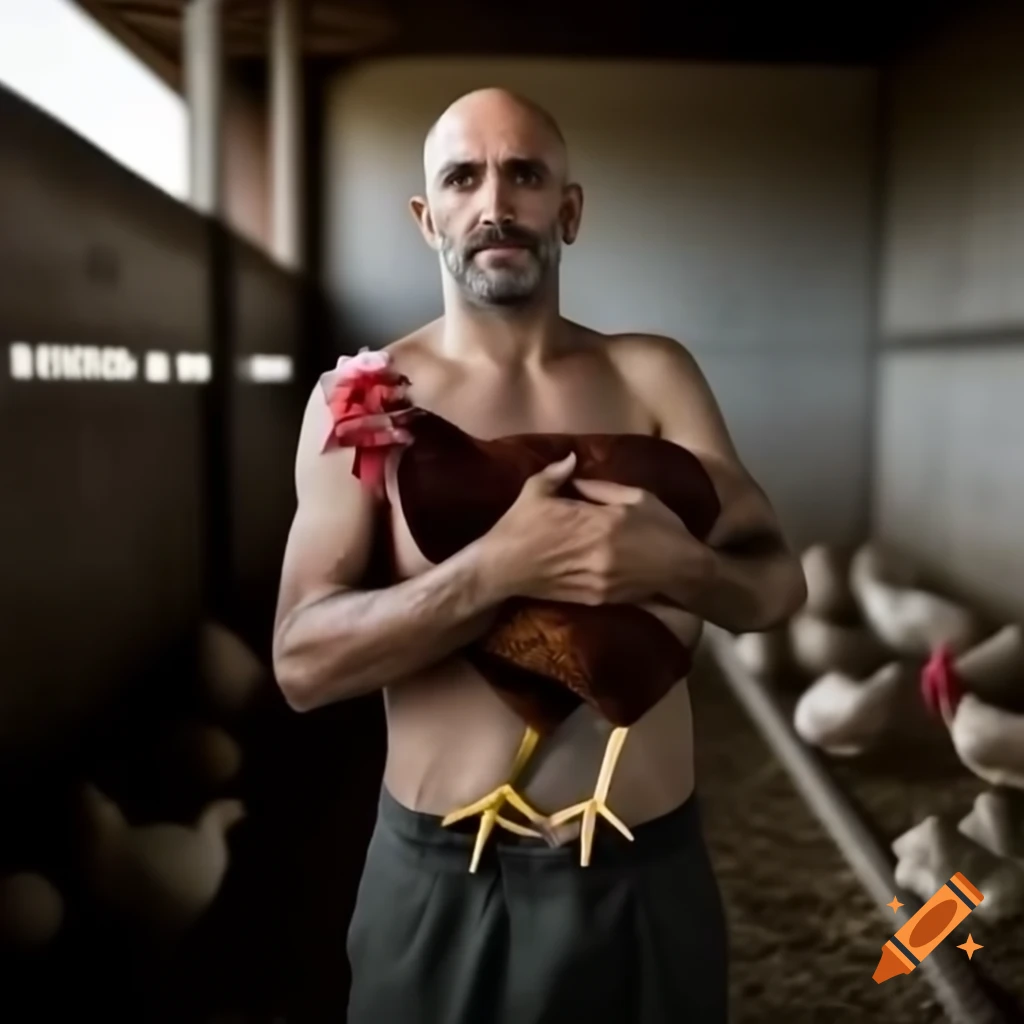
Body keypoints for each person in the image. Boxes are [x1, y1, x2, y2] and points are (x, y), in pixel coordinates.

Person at [272, 87, 807, 1024]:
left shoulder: (654, 376)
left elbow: (775, 587)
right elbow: (302, 665)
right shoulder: (366, 400)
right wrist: (497, 569)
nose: (494, 203)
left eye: (524, 174)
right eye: (463, 177)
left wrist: (676, 567)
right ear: (425, 215)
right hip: (443, 876)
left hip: (643, 867)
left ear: (569, 210)